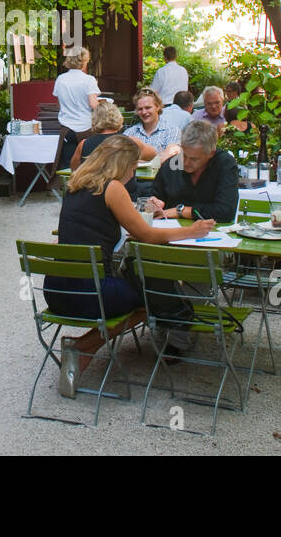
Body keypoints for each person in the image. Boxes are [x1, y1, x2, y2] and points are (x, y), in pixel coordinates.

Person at [48, 136, 212, 393]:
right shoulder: (112, 188)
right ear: (121, 164)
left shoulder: (75, 185)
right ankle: (82, 346)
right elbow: (146, 235)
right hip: (91, 293)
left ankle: (82, 349)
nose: (134, 173)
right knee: (152, 296)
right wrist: (191, 231)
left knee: (130, 285)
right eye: (133, 167)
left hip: (56, 289)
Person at [149, 119, 239, 223]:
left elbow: (226, 211)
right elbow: (153, 198)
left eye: (194, 159)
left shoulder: (224, 164)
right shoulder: (171, 164)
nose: (186, 163)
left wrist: (181, 211)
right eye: (184, 155)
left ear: (211, 153)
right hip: (170, 230)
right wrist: (152, 204)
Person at [71, 101, 154, 170]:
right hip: (124, 188)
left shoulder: (83, 145)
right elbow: (153, 155)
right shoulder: (131, 142)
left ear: (94, 120)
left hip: (94, 189)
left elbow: (74, 169)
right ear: (119, 117)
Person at [52, 48, 100, 168]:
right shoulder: (89, 80)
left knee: (69, 167)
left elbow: (59, 104)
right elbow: (93, 104)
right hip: (87, 128)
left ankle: (70, 187)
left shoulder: (60, 79)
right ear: (84, 61)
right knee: (89, 166)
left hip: (67, 129)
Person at [123, 88, 180, 157]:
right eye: (140, 109)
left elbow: (170, 155)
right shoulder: (129, 133)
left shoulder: (171, 131)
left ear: (158, 107)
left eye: (148, 108)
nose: (144, 112)